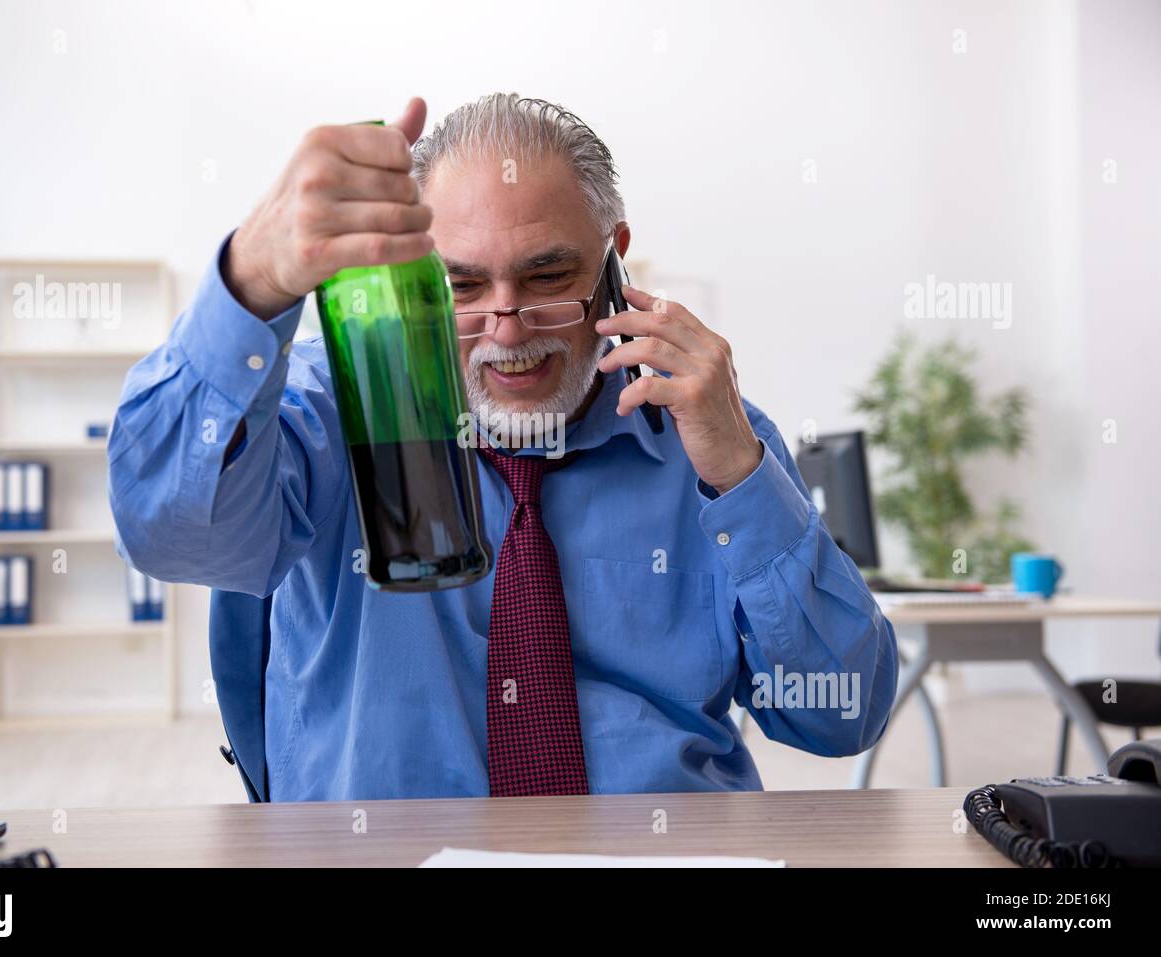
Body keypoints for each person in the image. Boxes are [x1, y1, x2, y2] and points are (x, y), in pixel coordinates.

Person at [109, 93, 898, 801]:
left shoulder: (709, 430)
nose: (508, 328)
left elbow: (844, 713)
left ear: (615, 254)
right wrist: (253, 276)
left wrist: (743, 475)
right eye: (462, 287)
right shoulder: (326, 410)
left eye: (549, 276)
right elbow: (165, 531)